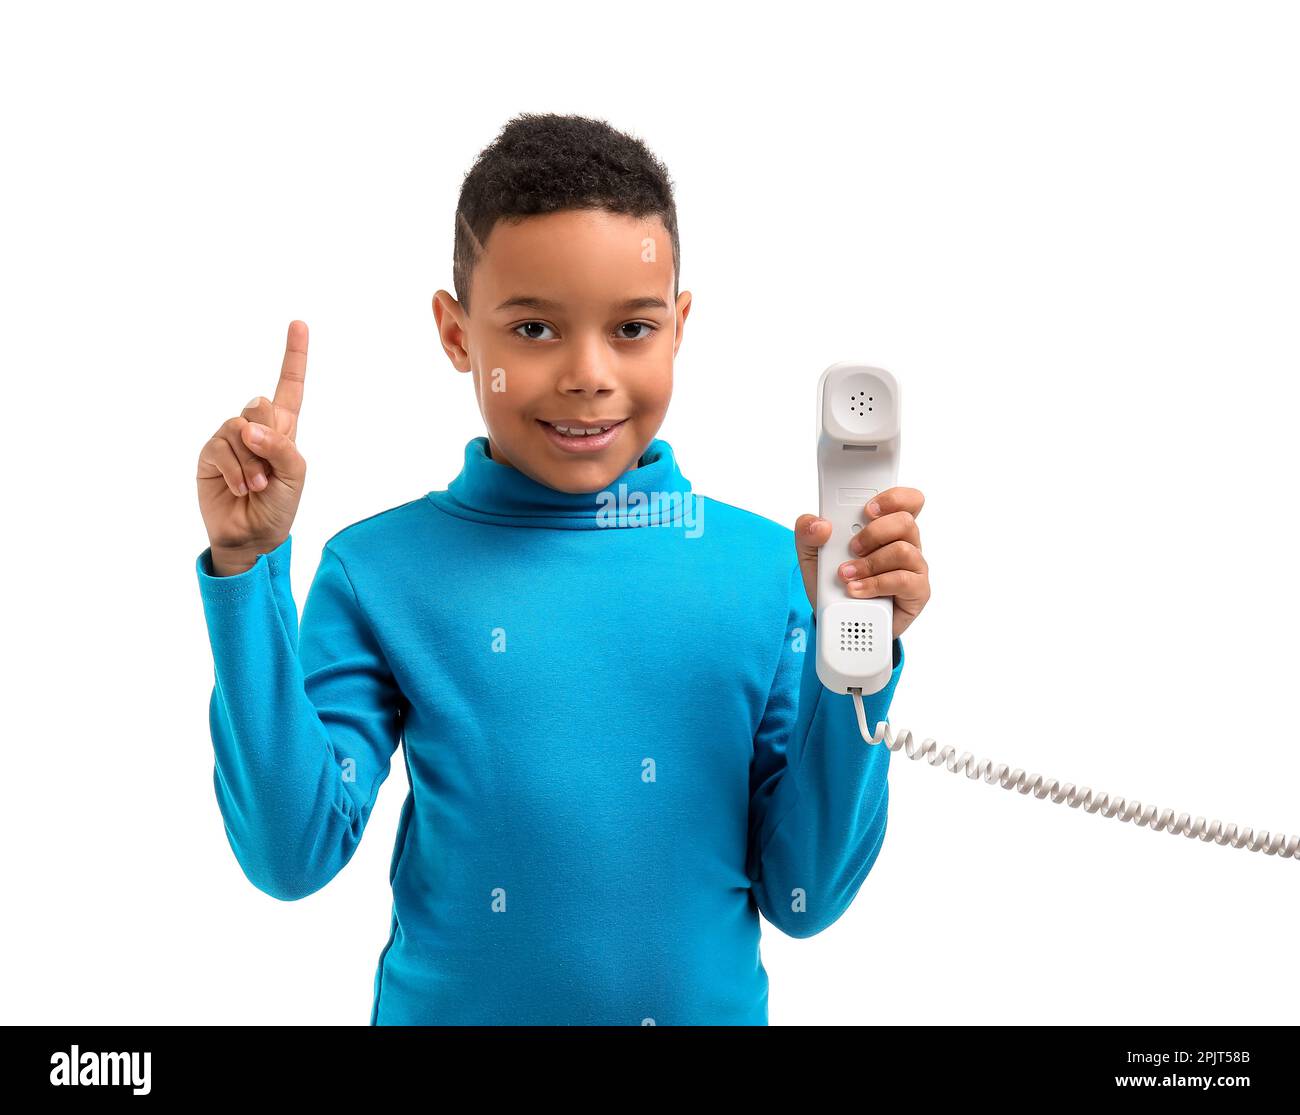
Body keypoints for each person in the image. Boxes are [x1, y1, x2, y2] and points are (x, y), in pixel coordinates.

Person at [194, 111, 932, 1025]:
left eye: (631, 328)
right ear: (457, 333)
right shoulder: (377, 571)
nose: (588, 374)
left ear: (680, 327)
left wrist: (855, 670)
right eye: (535, 328)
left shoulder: (770, 569)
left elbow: (804, 898)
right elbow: (291, 852)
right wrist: (247, 564)